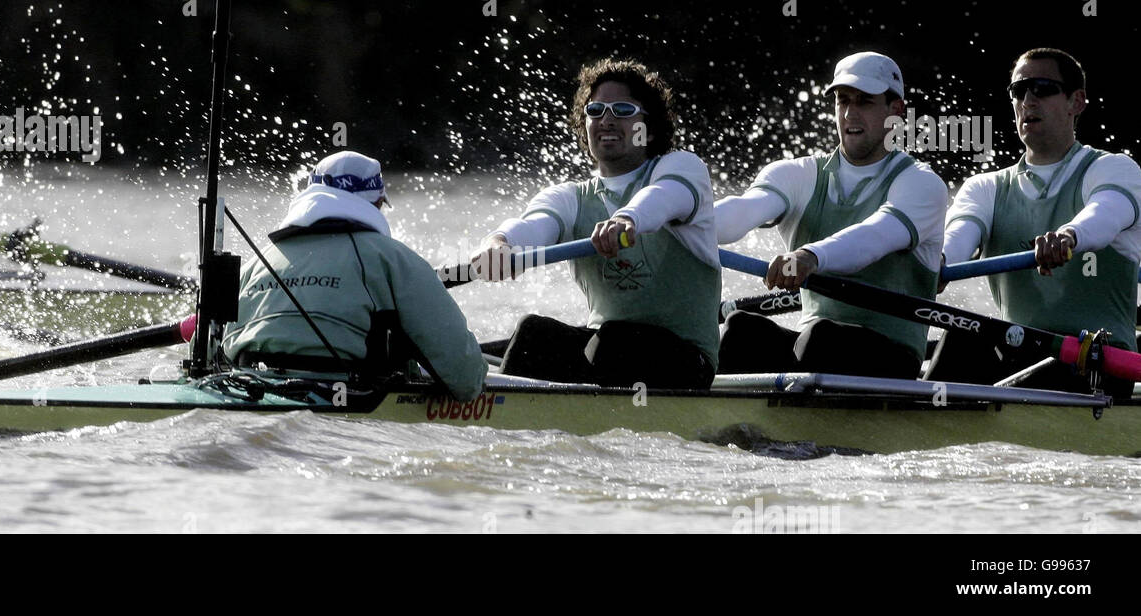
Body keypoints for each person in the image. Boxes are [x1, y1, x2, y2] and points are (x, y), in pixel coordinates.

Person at [471, 58, 720, 389]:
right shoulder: (570, 197)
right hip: (608, 352)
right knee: (534, 332)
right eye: (595, 110)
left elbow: (663, 198)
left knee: (614, 340)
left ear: (651, 126)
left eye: (622, 110)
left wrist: (626, 219)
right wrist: (499, 243)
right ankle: (507, 417)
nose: (606, 119)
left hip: (688, 362)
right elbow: (534, 225)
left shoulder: (682, 168)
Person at [713, 52, 948, 379]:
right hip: (815, 348)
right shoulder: (798, 174)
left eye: (865, 101)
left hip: (892, 359)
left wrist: (809, 255)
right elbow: (744, 209)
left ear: (895, 112)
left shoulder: (922, 185)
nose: (851, 113)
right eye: (842, 101)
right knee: (742, 329)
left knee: (822, 337)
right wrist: (688, 228)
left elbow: (876, 236)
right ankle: (730, 430)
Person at [927, 48, 1141, 399]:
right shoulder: (986, 187)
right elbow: (959, 234)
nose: (1028, 100)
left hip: (1097, 360)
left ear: (1076, 101)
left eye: (1042, 88)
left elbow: (1105, 213)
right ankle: (913, 424)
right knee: (961, 338)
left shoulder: (1114, 169)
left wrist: (1069, 236)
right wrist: (937, 263)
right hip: (1019, 351)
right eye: (1018, 90)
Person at [220, 151, 488, 402]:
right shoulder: (393, 258)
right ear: (378, 202)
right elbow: (467, 380)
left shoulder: (256, 262)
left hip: (249, 387)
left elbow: (210, 353)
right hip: (349, 399)